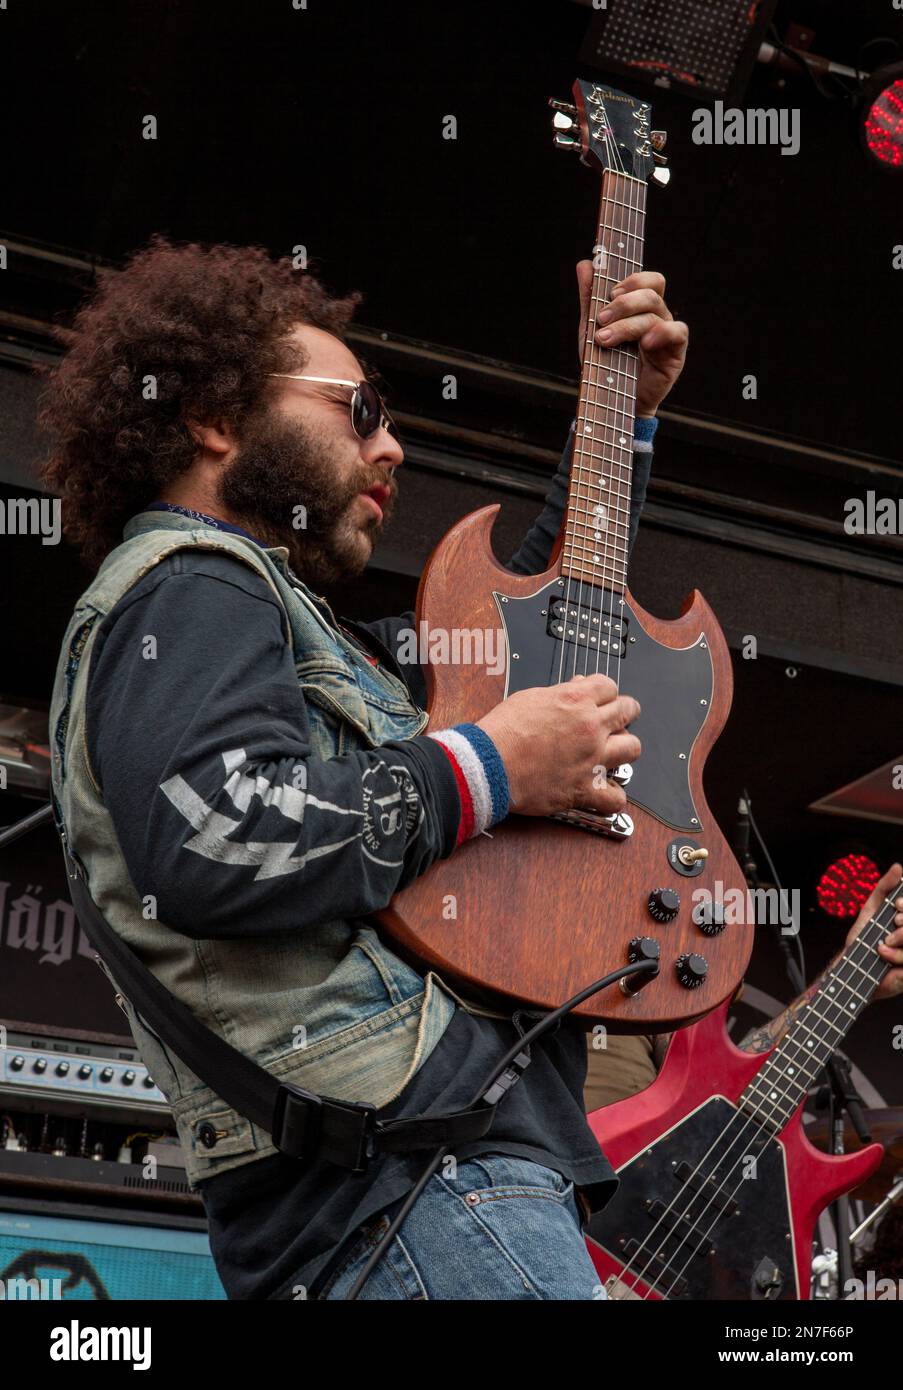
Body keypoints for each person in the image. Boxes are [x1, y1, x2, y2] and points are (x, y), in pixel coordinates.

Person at [40, 235, 687, 1300]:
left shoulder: (295, 630)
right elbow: (223, 835)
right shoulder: (189, 584)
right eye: (361, 407)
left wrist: (621, 417)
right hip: (415, 1192)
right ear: (215, 415)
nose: (392, 447)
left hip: (431, 1192)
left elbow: (528, 629)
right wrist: (491, 764)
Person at [583, 864, 903, 1114]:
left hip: (631, 1181)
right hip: (549, 1177)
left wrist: (850, 974)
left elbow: (723, 1095)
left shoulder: (650, 976)